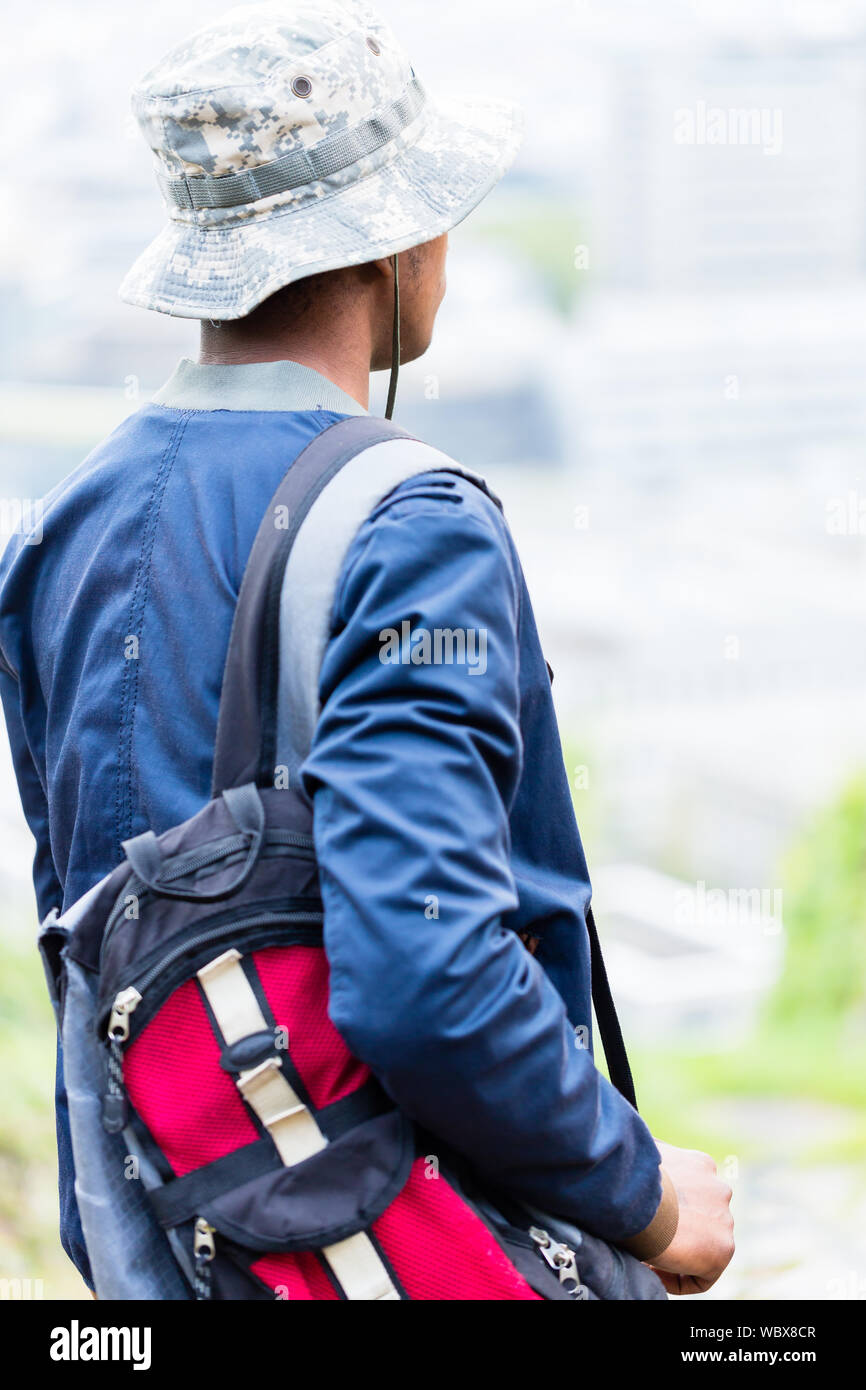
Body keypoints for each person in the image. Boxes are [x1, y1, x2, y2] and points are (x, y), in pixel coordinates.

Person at [0, 0, 733, 1298]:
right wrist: (643, 1192)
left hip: (177, 1248)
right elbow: (428, 971)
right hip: (411, 1246)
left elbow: (93, 954)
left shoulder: (62, 533)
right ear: (396, 238)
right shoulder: (412, 525)